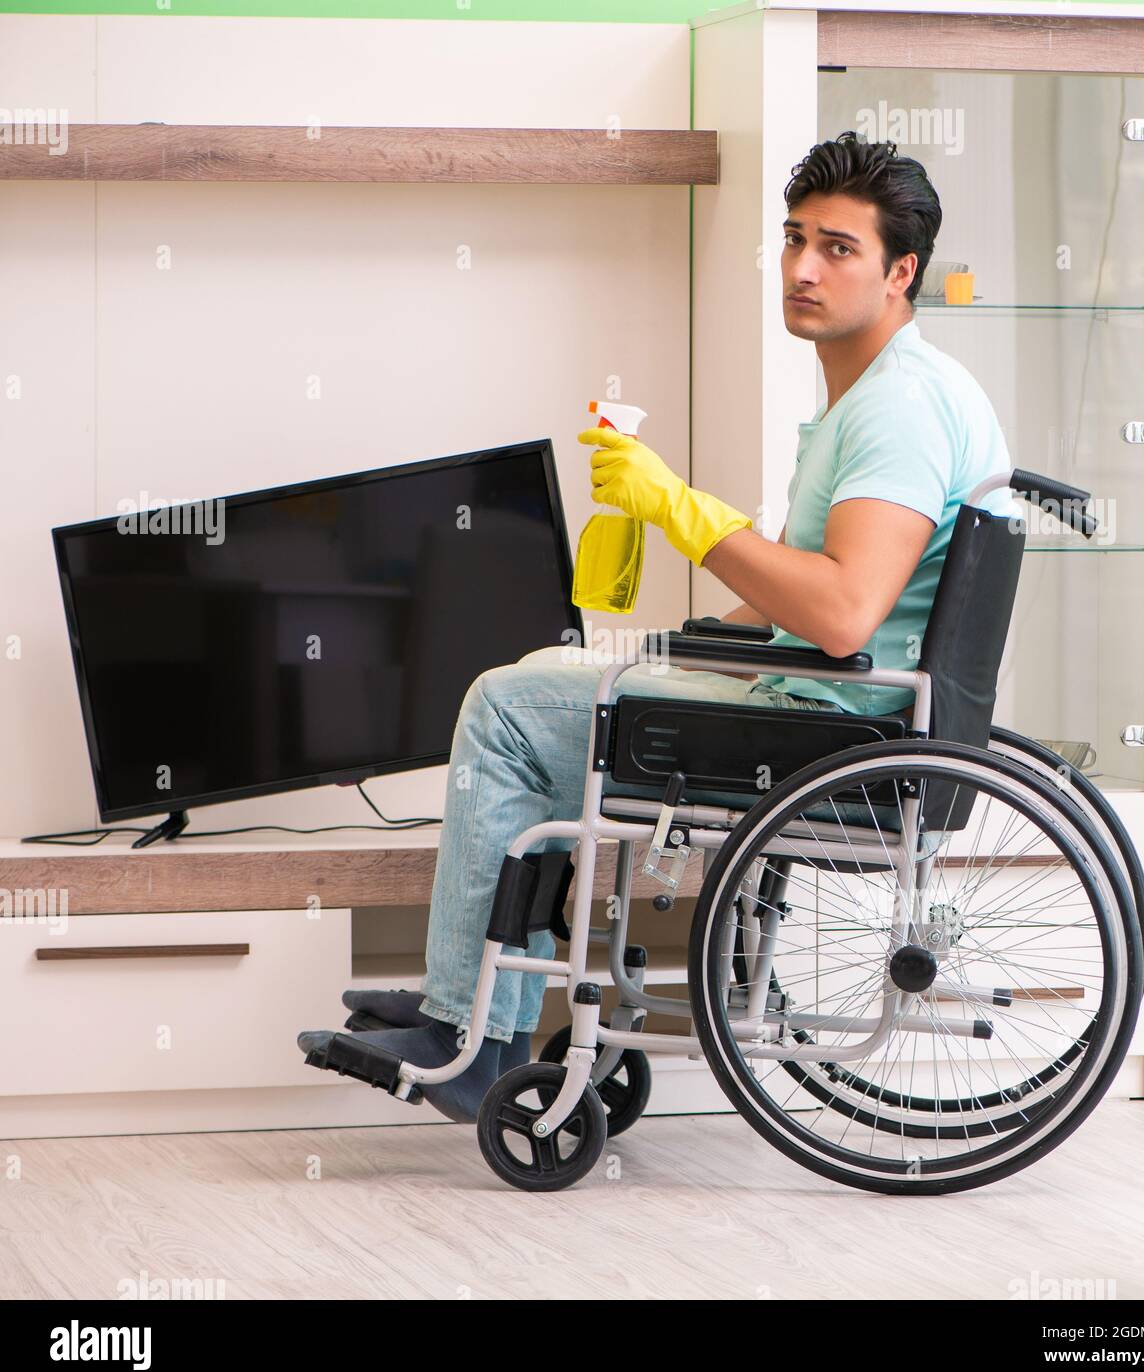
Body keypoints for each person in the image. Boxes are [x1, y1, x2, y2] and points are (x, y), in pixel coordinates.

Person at [296, 130, 1018, 1121]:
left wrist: (678, 504)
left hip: (837, 728)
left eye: (837, 248)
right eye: (793, 239)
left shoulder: (896, 410)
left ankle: (474, 1028)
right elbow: (801, 596)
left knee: (504, 706)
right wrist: (668, 646)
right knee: (559, 674)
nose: (802, 268)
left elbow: (842, 608)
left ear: (900, 271)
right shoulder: (880, 396)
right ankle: (475, 1011)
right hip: (828, 702)